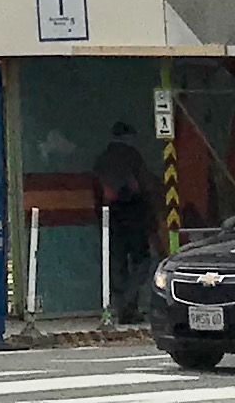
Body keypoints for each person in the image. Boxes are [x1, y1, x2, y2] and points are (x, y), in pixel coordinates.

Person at [90, 121, 156, 323]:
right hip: (134, 214)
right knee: (141, 260)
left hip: (111, 217)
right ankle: (130, 303)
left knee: (117, 262)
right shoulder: (133, 156)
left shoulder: (102, 159)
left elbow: (96, 191)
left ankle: (122, 307)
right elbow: (144, 185)